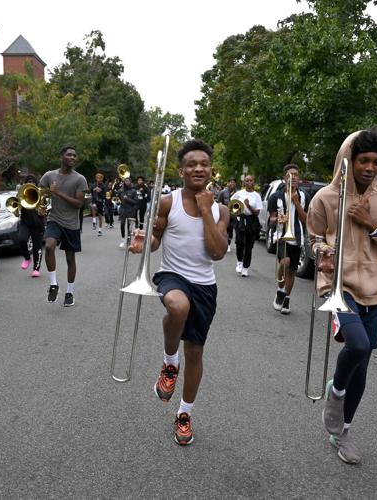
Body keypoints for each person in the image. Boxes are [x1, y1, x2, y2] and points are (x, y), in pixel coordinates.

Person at [308, 127, 377, 464]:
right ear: (349, 160)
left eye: (376, 162)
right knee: (359, 345)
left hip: (375, 290)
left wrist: (374, 226)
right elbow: (312, 240)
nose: (369, 167)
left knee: (362, 365)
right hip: (339, 286)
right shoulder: (325, 197)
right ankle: (336, 391)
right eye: (363, 160)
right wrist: (321, 249)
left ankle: (343, 431)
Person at [129, 139, 229, 446]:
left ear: (212, 169)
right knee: (176, 305)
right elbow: (156, 240)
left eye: (203, 164)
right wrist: (143, 241)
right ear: (180, 170)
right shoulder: (167, 202)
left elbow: (217, 252)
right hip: (172, 275)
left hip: (205, 285)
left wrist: (205, 209)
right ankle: (169, 362)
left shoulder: (222, 209)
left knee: (196, 353)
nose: (198, 168)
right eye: (191, 164)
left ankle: (184, 414)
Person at [39, 145, 87, 306]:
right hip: (55, 219)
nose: (72, 158)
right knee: (49, 246)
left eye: (74, 155)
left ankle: (69, 292)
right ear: (62, 157)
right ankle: (53, 284)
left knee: (70, 259)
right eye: (69, 155)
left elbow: (79, 204)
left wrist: (58, 193)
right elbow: (42, 194)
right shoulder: (49, 175)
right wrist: (41, 205)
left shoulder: (80, 179)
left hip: (72, 224)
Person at [269, 164, 310, 314]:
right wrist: (278, 219)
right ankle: (280, 290)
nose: (293, 177)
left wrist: (297, 203)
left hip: (297, 238)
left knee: (292, 272)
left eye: (296, 175)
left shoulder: (304, 196)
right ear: (285, 178)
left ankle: (286, 299)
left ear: (299, 178)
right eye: (290, 175)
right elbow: (271, 219)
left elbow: (305, 220)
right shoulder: (276, 197)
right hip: (281, 236)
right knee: (285, 263)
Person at [230, 175, 262, 277]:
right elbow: (232, 205)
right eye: (246, 181)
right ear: (244, 183)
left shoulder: (257, 196)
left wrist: (248, 206)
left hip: (251, 221)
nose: (249, 182)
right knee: (239, 242)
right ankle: (239, 261)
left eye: (251, 180)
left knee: (249, 246)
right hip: (241, 219)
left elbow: (257, 213)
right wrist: (236, 212)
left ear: (254, 182)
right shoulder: (239, 193)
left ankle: (245, 267)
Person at [17, 174, 46, 277]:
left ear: (36, 183)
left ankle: (36, 269)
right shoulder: (22, 194)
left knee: (37, 247)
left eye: (33, 182)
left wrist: (43, 210)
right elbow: (17, 209)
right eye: (29, 182)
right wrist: (15, 210)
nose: (31, 183)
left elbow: (45, 210)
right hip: (25, 223)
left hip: (38, 224)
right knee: (21, 240)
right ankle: (27, 258)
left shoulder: (41, 194)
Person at [117, 177, 138, 248]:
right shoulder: (121, 190)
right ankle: (123, 240)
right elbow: (119, 198)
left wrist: (127, 199)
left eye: (128, 181)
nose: (127, 182)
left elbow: (135, 202)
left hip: (130, 210)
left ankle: (128, 241)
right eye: (125, 181)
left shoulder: (133, 191)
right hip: (123, 210)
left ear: (130, 182)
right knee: (122, 224)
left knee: (129, 227)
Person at [217, 178, 237, 252]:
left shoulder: (238, 193)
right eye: (231, 182)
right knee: (223, 230)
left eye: (234, 182)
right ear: (228, 183)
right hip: (224, 214)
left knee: (231, 230)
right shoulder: (223, 192)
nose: (232, 183)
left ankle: (228, 244)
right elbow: (219, 203)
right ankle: (222, 244)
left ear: (235, 184)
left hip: (233, 215)